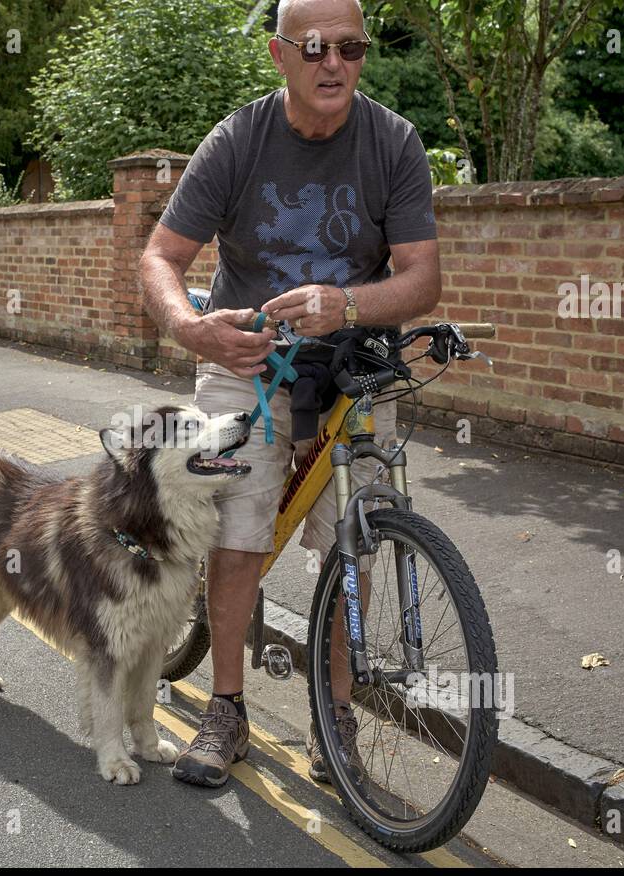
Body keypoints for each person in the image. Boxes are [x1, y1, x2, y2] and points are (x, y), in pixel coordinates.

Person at [140, 0, 442, 788]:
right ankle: (228, 707)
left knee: (358, 541)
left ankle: (333, 716)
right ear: (279, 55)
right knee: (239, 533)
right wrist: (193, 329)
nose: (333, 63)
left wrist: (349, 306)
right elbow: (160, 258)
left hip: (353, 367)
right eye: (314, 48)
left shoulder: (394, 142)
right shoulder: (238, 141)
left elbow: (421, 276)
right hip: (247, 361)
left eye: (351, 47)